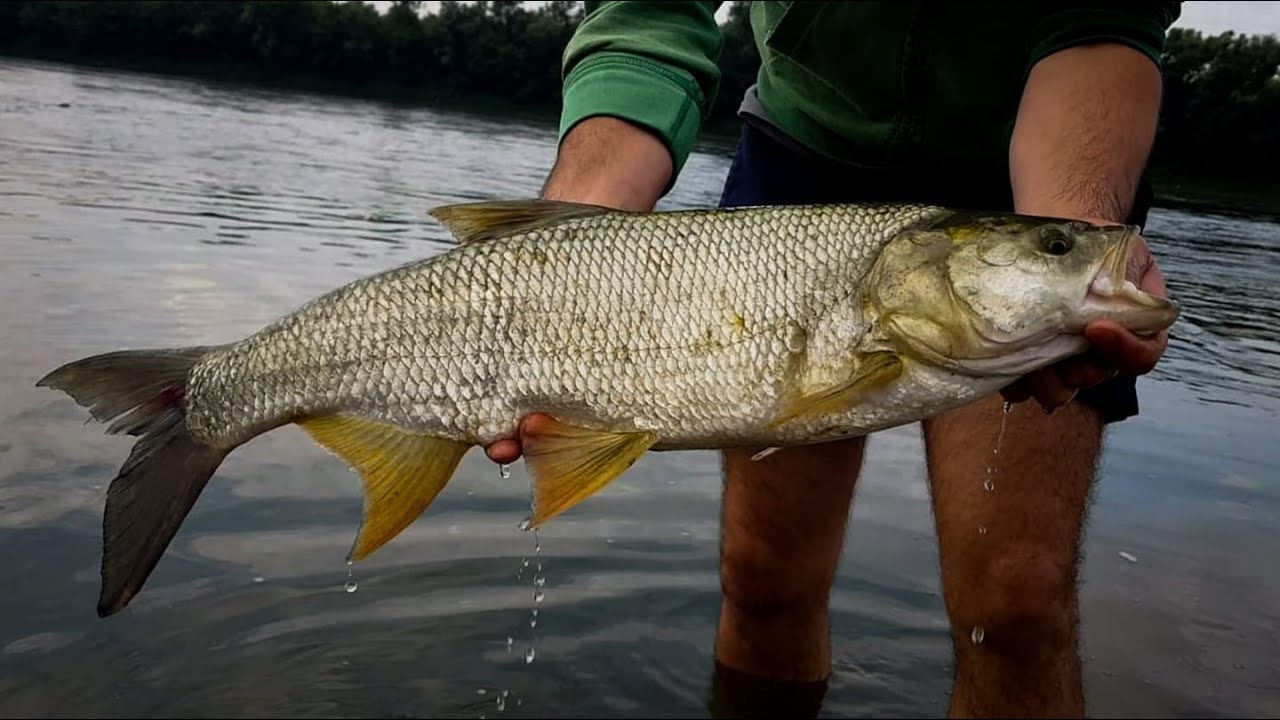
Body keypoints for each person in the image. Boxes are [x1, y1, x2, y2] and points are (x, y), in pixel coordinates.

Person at [484, 2, 1181, 717]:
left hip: (1029, 159)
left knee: (1016, 609)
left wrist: (1068, 230)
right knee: (765, 582)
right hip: (802, 154)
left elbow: (1101, 15)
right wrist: (568, 234)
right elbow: (654, 11)